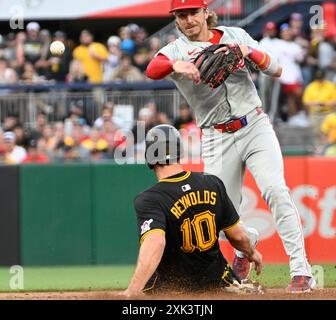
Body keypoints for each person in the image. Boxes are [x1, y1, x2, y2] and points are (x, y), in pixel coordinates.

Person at [146, 0, 314, 292]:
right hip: (215, 136)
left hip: (255, 125)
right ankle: (244, 245)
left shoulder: (235, 36)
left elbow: (276, 69)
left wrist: (247, 51)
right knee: (216, 218)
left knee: (276, 190)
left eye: (193, 12)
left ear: (205, 12)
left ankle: (301, 271)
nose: (188, 20)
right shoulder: (174, 51)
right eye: (181, 15)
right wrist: (176, 65)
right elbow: (152, 68)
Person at [122, 124, 263, 297]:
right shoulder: (212, 183)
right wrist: (251, 252)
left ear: (150, 157)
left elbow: (156, 243)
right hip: (217, 284)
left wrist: (132, 290)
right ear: (179, 152)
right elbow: (238, 236)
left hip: (171, 290)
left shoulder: (150, 199)